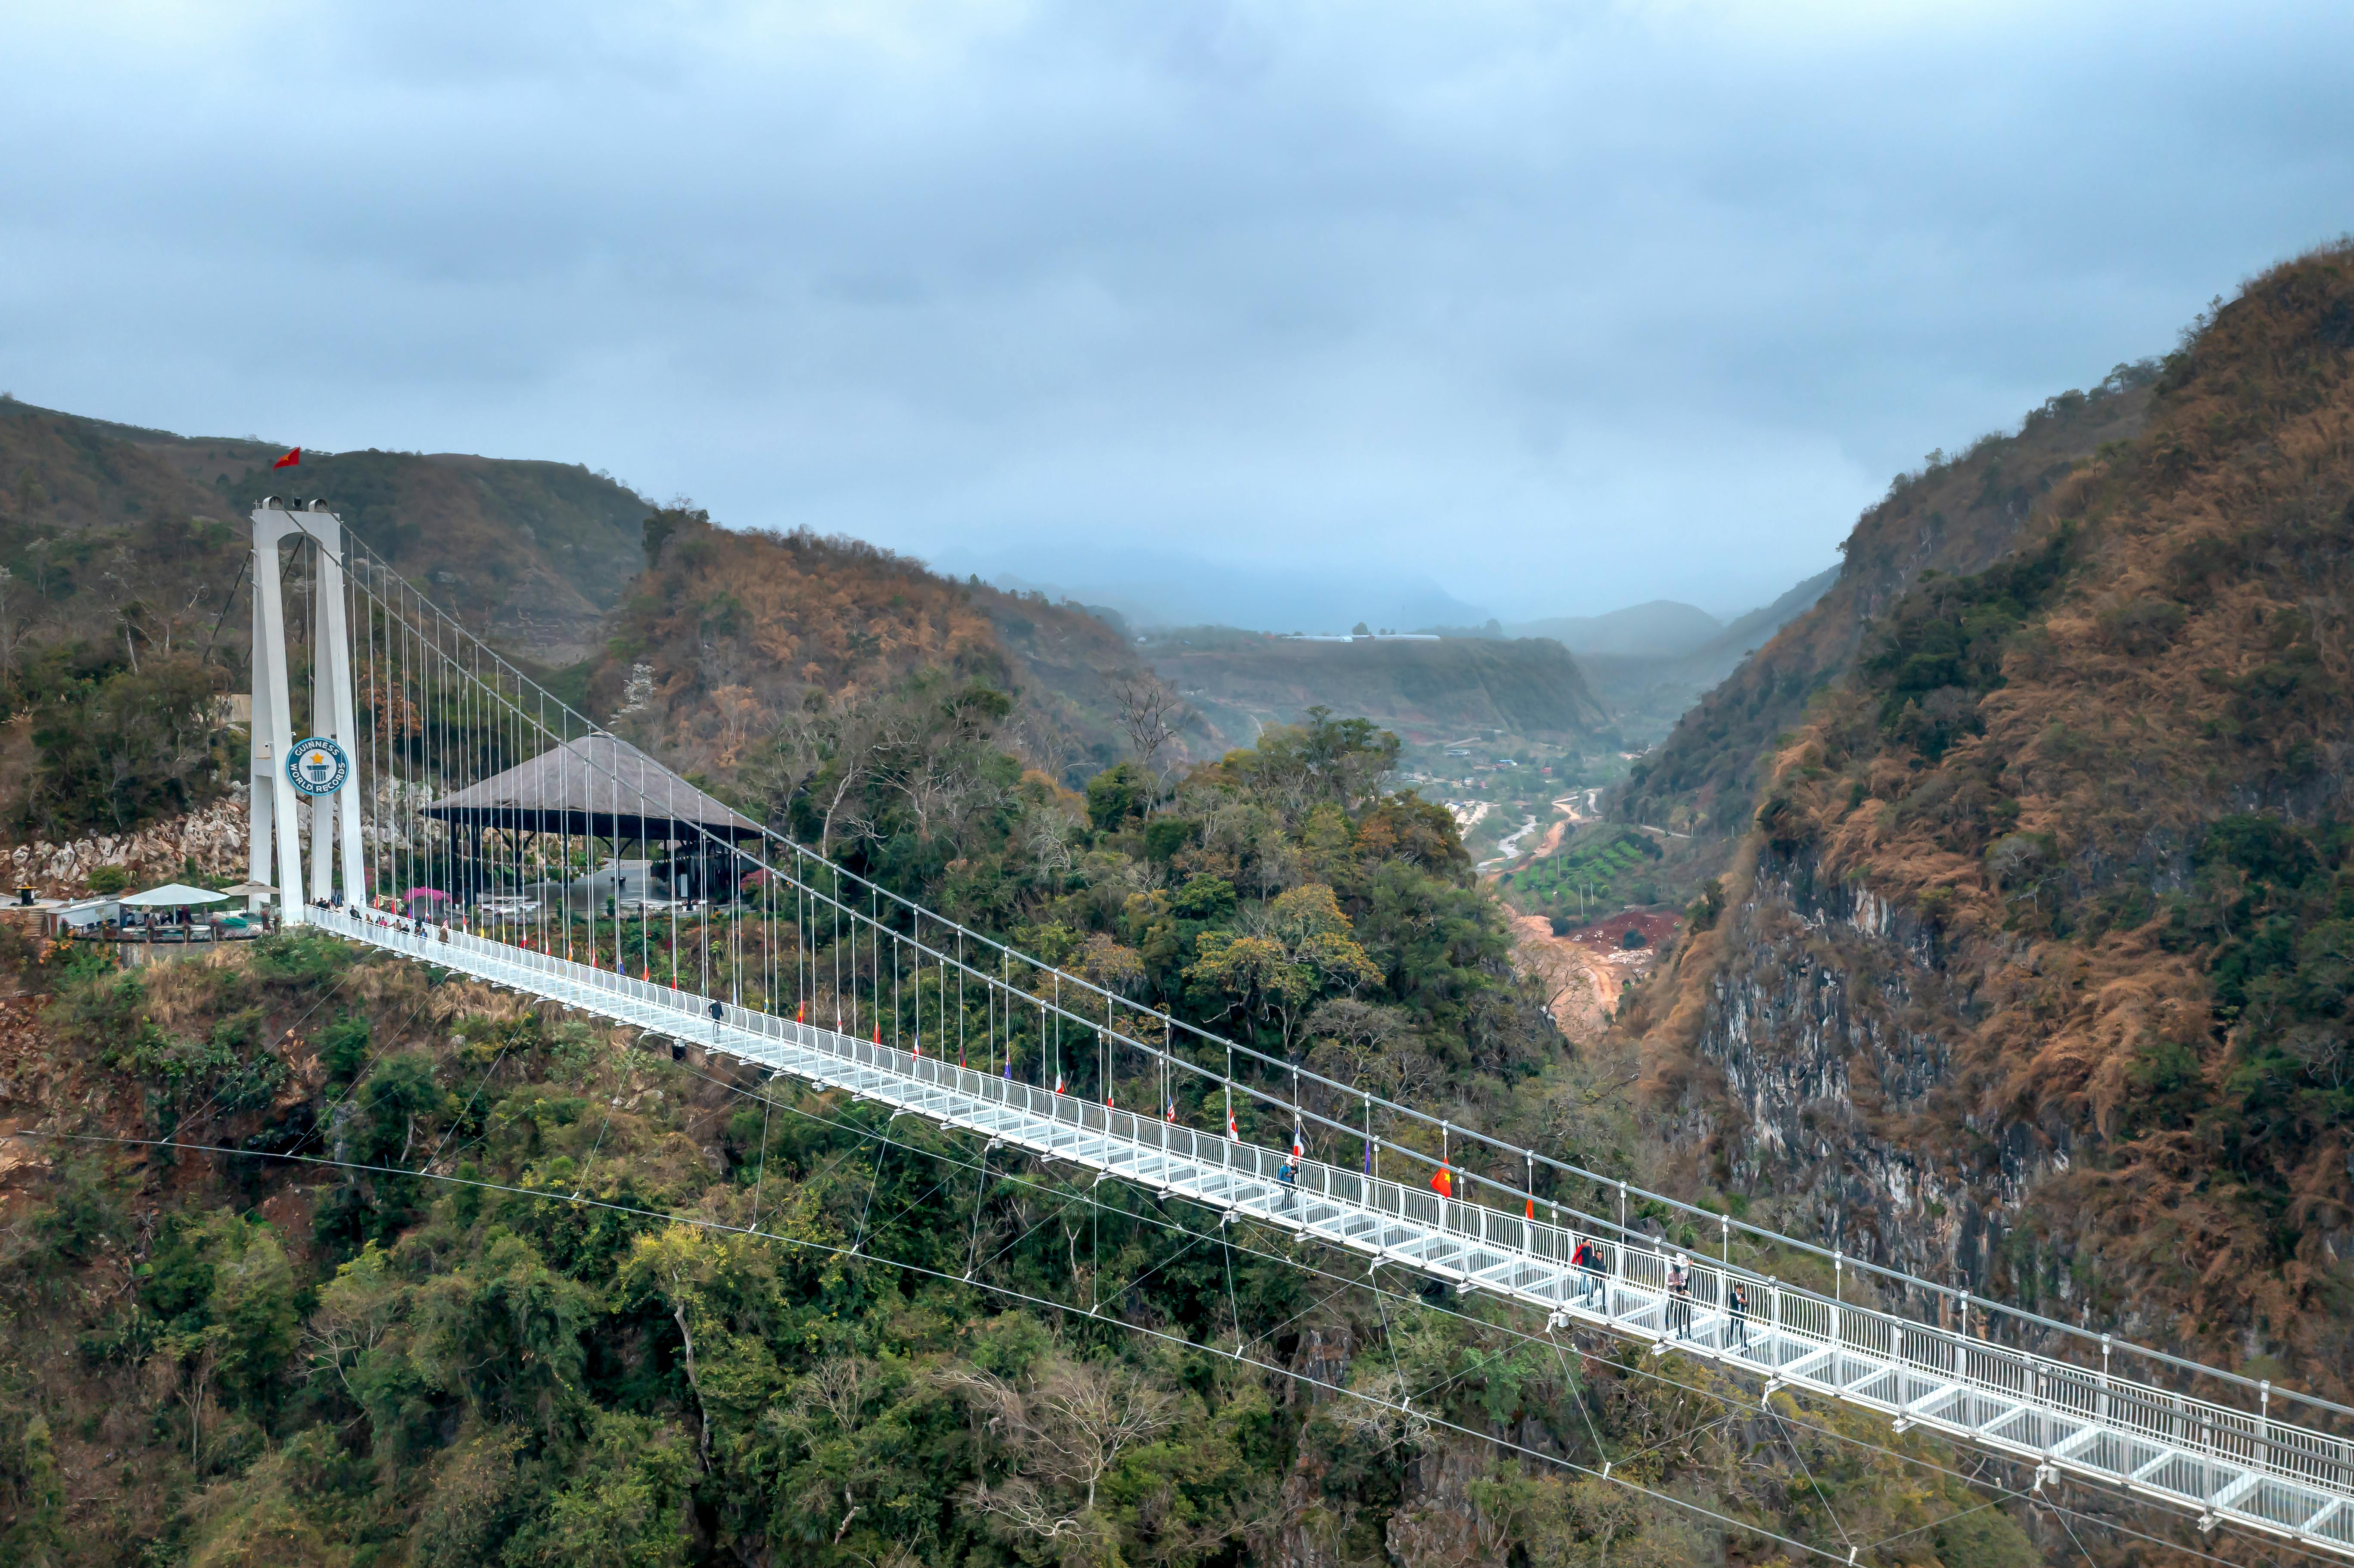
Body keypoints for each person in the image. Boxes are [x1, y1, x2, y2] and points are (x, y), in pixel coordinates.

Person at [1666, 1252, 1693, 1341]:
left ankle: (1689, 1334)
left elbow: (1690, 1303)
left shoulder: (1687, 1294)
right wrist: (1674, 1283)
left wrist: (1680, 1283)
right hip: (1672, 1292)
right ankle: (1680, 1334)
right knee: (1671, 1306)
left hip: (1686, 1307)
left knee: (1687, 1320)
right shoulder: (1670, 1275)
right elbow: (1667, 1283)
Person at [1573, 1237, 1605, 1306]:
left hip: (1588, 1266)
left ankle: (1580, 1290)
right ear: (1584, 1243)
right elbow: (1576, 1256)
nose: (1589, 1243)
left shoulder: (1590, 1248)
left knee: (1585, 1278)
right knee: (1585, 1277)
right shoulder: (1580, 1248)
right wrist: (1572, 1264)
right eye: (1588, 1242)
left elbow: (1591, 1256)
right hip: (1582, 1265)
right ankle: (1587, 1292)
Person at [1728, 1279, 1751, 1351]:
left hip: (1741, 1314)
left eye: (1742, 1291)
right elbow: (1734, 1304)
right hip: (1735, 1314)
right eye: (1740, 1290)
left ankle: (1744, 1343)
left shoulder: (1743, 1295)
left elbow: (1746, 1305)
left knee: (1741, 1329)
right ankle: (1729, 1338)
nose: (1741, 1292)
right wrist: (1739, 1301)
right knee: (1732, 1327)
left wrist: (1744, 1302)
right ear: (1737, 1289)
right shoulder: (1732, 1295)